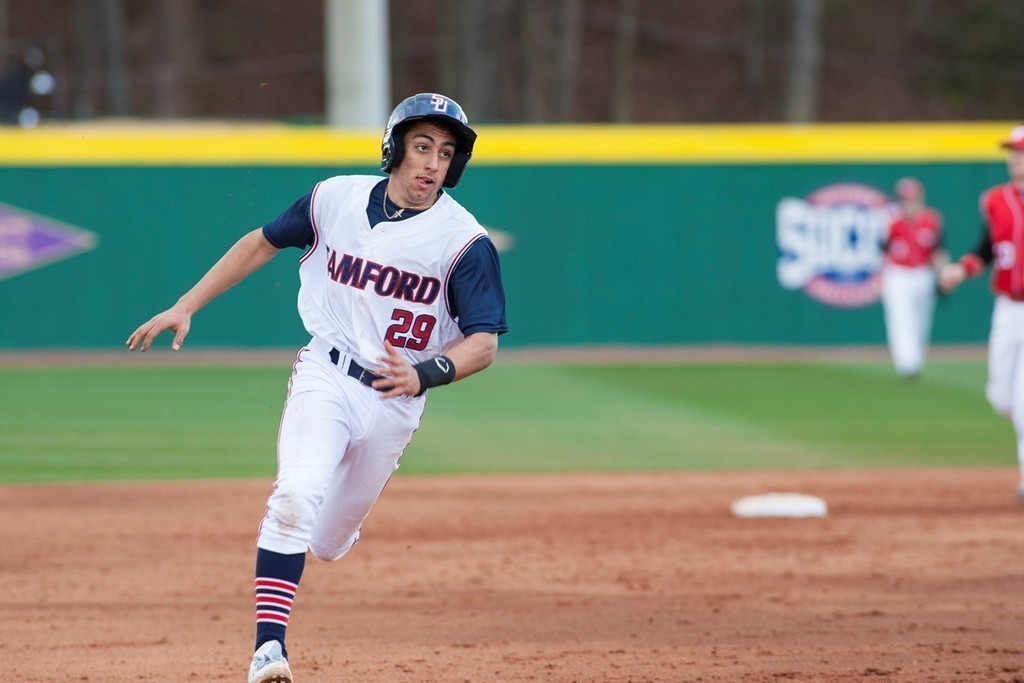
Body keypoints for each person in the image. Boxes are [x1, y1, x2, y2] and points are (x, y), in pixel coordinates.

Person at [126, 93, 508, 683]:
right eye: (422, 145)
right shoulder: (335, 198)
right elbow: (261, 241)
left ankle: (329, 536)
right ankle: (268, 652)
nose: (432, 162)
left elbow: (483, 344)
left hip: (395, 400)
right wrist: (186, 304)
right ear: (396, 147)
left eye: (445, 152)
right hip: (326, 373)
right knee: (294, 497)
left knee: (327, 542)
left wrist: (425, 373)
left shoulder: (464, 243)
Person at [938, 123, 1024, 500]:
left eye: (1020, 151)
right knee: (1001, 397)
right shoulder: (995, 200)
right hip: (1008, 307)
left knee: (1023, 402)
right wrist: (962, 268)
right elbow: (987, 248)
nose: (1015, 158)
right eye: (1012, 151)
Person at [880, 177, 946, 379]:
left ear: (920, 198)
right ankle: (907, 364)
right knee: (900, 318)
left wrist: (941, 277)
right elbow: (881, 250)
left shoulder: (932, 219)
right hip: (898, 273)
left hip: (922, 273)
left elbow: (939, 251)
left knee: (921, 320)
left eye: (912, 198)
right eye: (904, 199)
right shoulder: (891, 220)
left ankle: (915, 359)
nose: (908, 203)